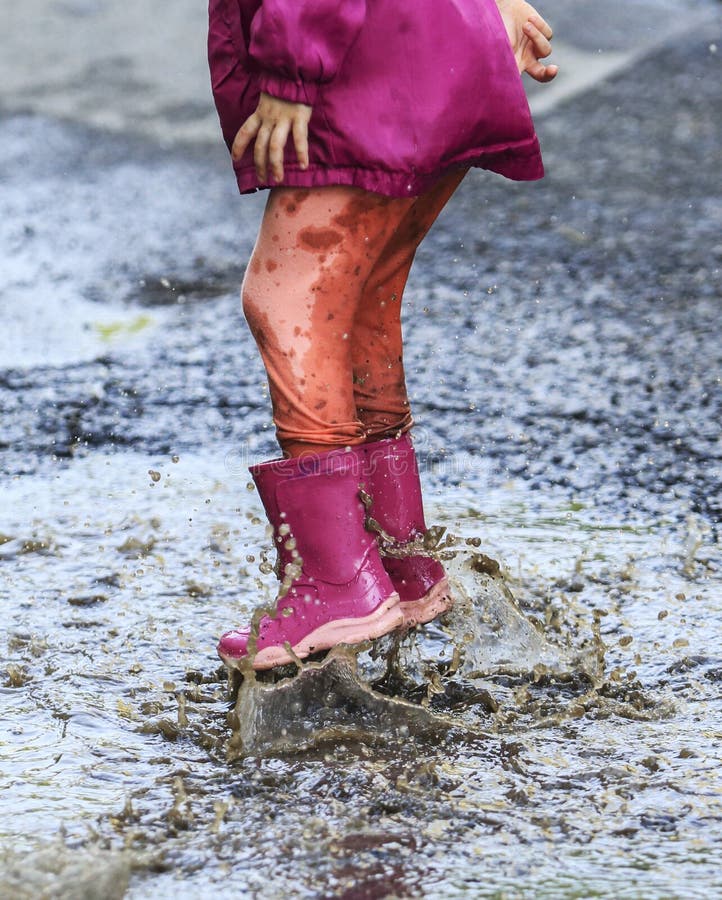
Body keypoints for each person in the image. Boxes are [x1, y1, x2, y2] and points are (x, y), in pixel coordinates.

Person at [207, 0, 557, 670]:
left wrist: (293, 72)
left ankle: (336, 583)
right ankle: (398, 559)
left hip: (362, 64)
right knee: (361, 298)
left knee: (286, 299)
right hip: (439, 48)